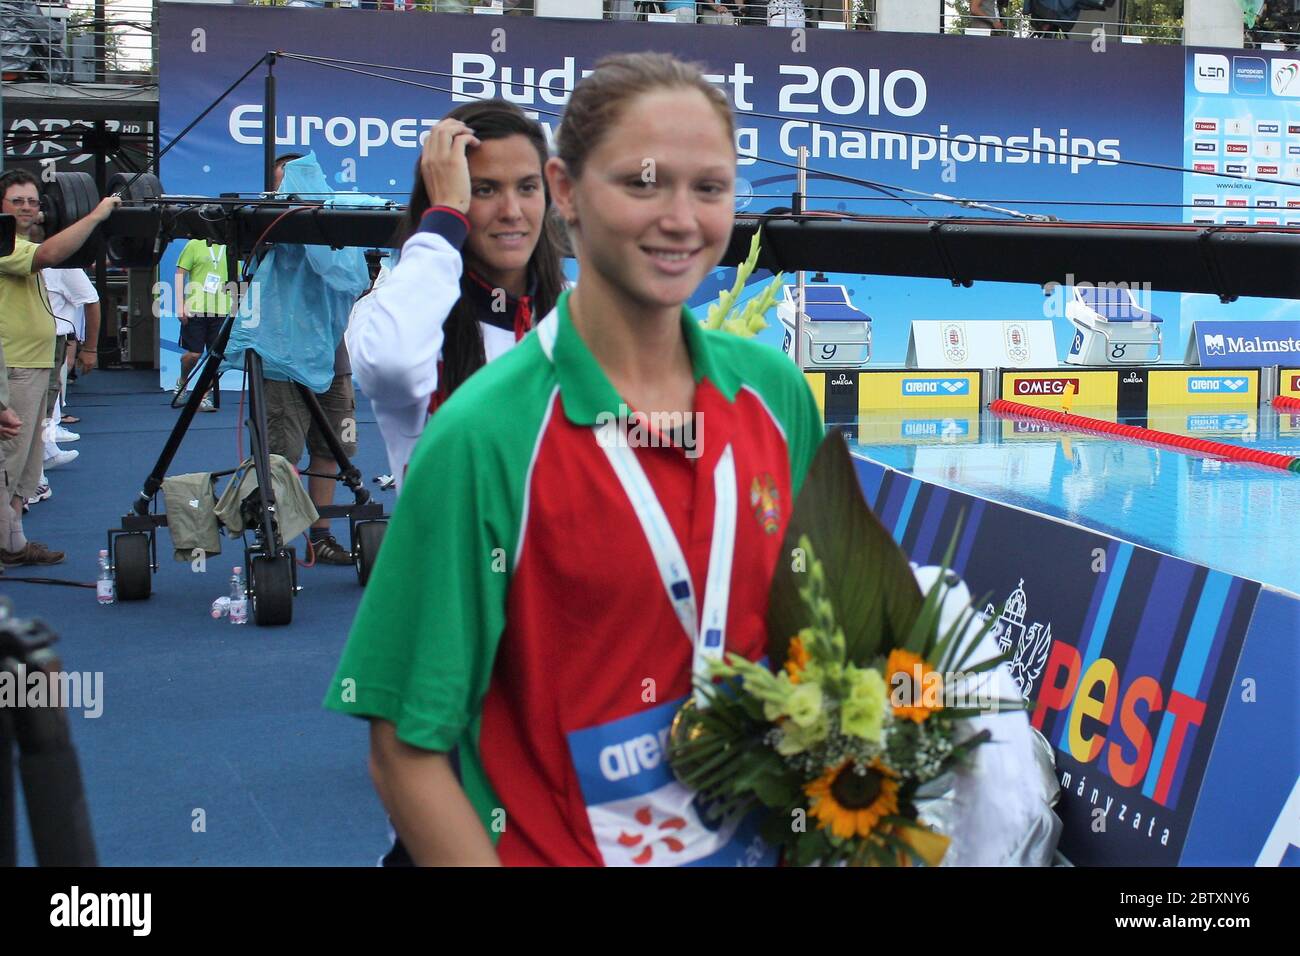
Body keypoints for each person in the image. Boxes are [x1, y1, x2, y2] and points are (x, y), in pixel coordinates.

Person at [326, 52, 824, 866]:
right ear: (572, 191)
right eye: (642, 183)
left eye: (710, 188)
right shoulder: (483, 433)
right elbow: (404, 751)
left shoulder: (774, 397)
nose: (681, 219)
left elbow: (825, 640)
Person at [347, 98, 565, 492]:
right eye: (484, 189)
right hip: (447, 553)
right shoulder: (388, 311)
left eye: (528, 187)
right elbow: (393, 366)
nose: (512, 210)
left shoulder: (579, 311)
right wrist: (446, 216)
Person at [0, 168, 118, 567]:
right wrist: (97, 215)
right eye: (18, 201)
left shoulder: (24, 242)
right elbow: (50, 254)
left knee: (29, 465)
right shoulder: (5, 246)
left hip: (36, 364)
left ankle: (13, 544)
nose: (29, 208)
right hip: (12, 366)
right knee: (8, 462)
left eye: (34, 201)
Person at [173, 237, 233, 411]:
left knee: (215, 357)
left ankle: (203, 396)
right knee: (193, 354)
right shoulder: (194, 244)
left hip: (222, 310)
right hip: (195, 308)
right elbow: (180, 273)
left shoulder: (229, 247)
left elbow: (237, 279)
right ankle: (183, 381)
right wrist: (180, 304)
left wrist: (238, 308)